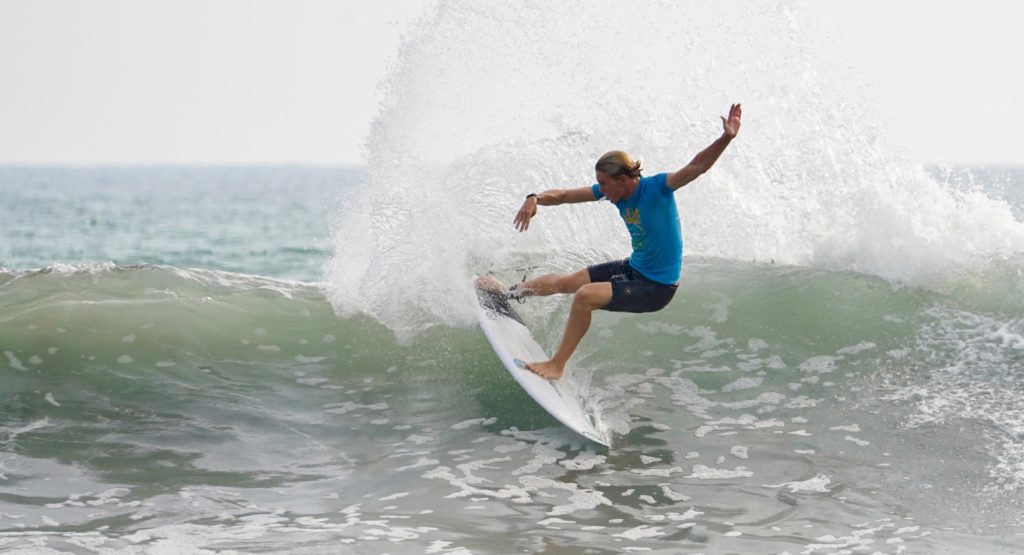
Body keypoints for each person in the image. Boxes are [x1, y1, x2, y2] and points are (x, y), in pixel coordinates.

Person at [509, 103, 742, 380]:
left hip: (657, 287)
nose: (602, 190)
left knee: (584, 297)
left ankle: (556, 365)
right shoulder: (614, 192)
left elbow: (697, 166)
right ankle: (510, 293)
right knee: (568, 283)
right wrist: (534, 198)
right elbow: (564, 196)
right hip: (634, 268)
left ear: (623, 179)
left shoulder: (658, 188)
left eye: (604, 184)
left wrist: (725, 138)